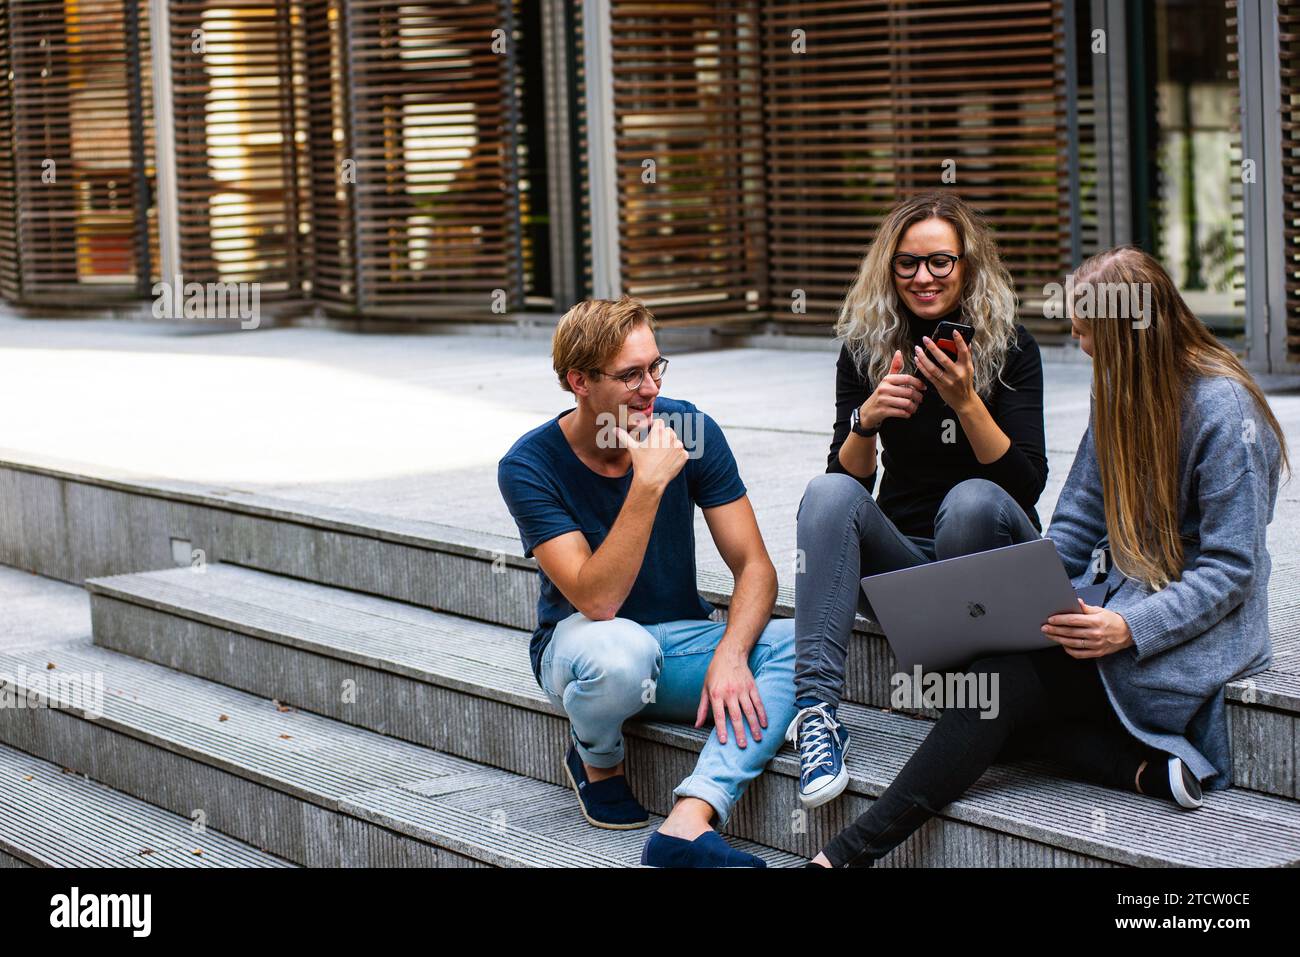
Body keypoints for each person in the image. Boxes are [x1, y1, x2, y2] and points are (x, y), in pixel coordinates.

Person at [806, 245, 1289, 867]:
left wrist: (1127, 627)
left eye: (1089, 334)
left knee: (995, 694)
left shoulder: (1225, 412)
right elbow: (1075, 527)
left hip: (1182, 633)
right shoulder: (1117, 390)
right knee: (978, 689)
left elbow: (1231, 569)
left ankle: (844, 856)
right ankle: (1134, 767)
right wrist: (1018, 593)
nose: (1082, 347)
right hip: (1105, 612)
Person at [497, 296, 796, 868]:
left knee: (800, 643)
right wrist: (647, 484)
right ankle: (597, 757)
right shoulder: (529, 465)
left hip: (681, 642)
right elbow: (597, 598)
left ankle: (691, 818)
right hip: (585, 645)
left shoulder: (689, 428)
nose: (650, 387)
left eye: (655, 367)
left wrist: (732, 653)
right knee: (621, 652)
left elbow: (755, 565)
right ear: (578, 381)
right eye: (630, 374)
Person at [789, 191, 1048, 807]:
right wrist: (865, 420)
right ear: (889, 267)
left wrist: (966, 402)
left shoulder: (1011, 347)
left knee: (971, 502)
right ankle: (818, 717)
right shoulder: (866, 347)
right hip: (908, 570)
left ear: (967, 265)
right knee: (826, 494)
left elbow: (1026, 484)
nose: (923, 277)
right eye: (907, 263)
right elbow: (847, 488)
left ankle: (971, 688)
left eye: (940, 262)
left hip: (992, 563)